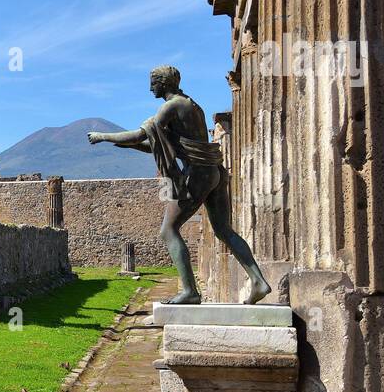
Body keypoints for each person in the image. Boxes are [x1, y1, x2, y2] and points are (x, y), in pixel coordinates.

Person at [87, 65, 271, 305]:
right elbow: (157, 146)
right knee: (223, 230)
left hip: (197, 175)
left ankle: (190, 292)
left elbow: (139, 136)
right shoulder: (193, 105)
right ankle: (258, 281)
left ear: (164, 83)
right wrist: (127, 144)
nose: (150, 87)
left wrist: (103, 137)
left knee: (168, 230)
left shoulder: (171, 106)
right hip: (214, 171)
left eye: (153, 82)